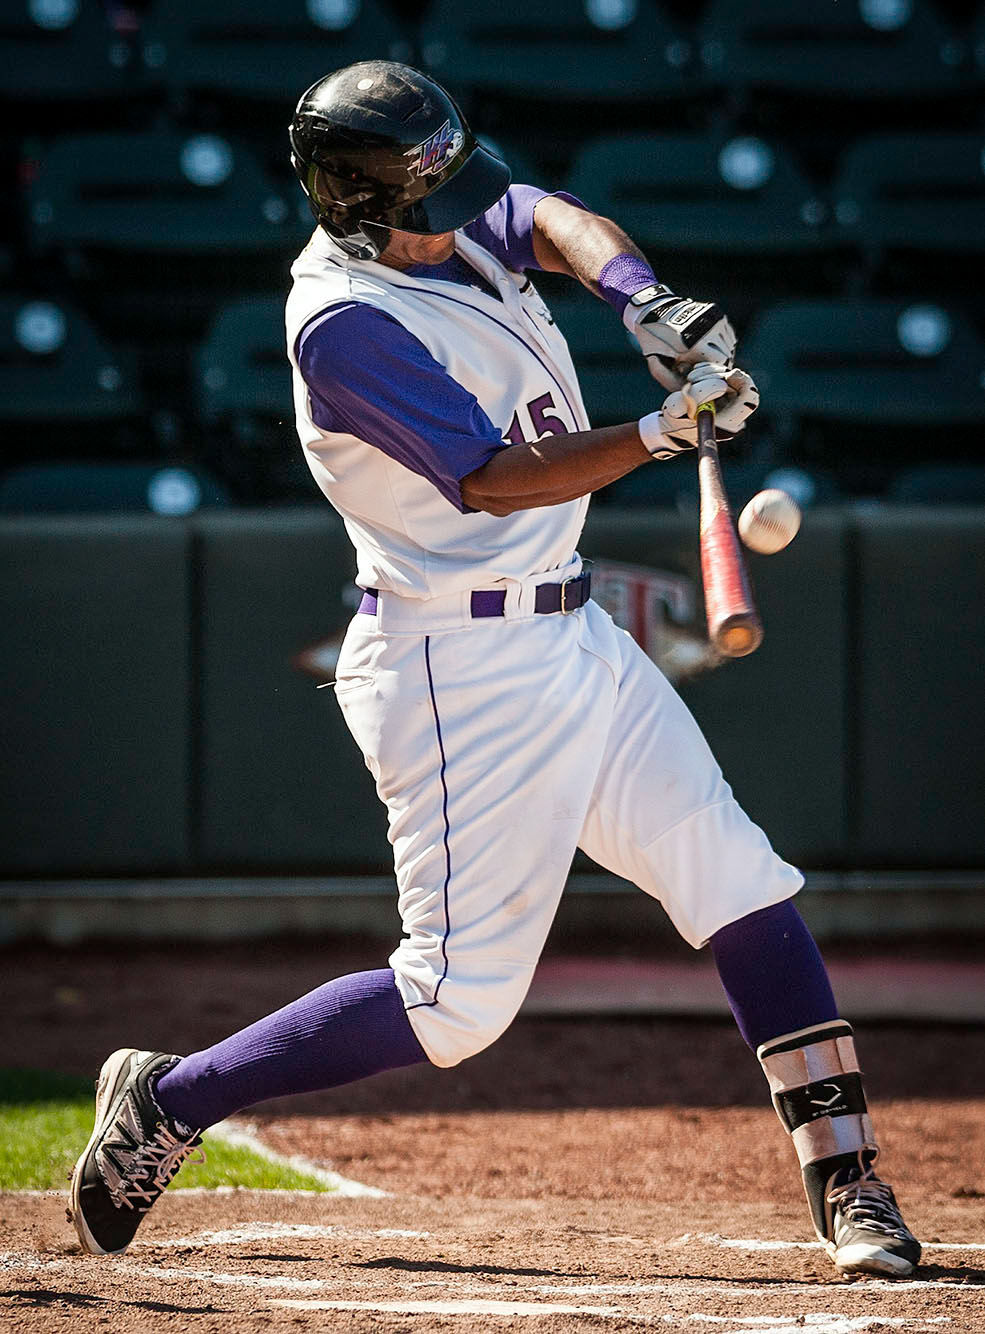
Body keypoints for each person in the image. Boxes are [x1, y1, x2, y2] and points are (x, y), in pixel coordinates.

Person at [69, 61, 920, 1279]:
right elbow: (484, 476)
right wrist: (653, 435)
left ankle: (849, 1179)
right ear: (361, 206)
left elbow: (543, 214)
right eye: (433, 195)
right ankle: (172, 1098)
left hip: (572, 634)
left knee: (736, 876)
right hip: (455, 668)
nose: (465, 208)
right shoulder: (345, 326)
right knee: (454, 1005)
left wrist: (643, 300)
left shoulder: (448, 221)